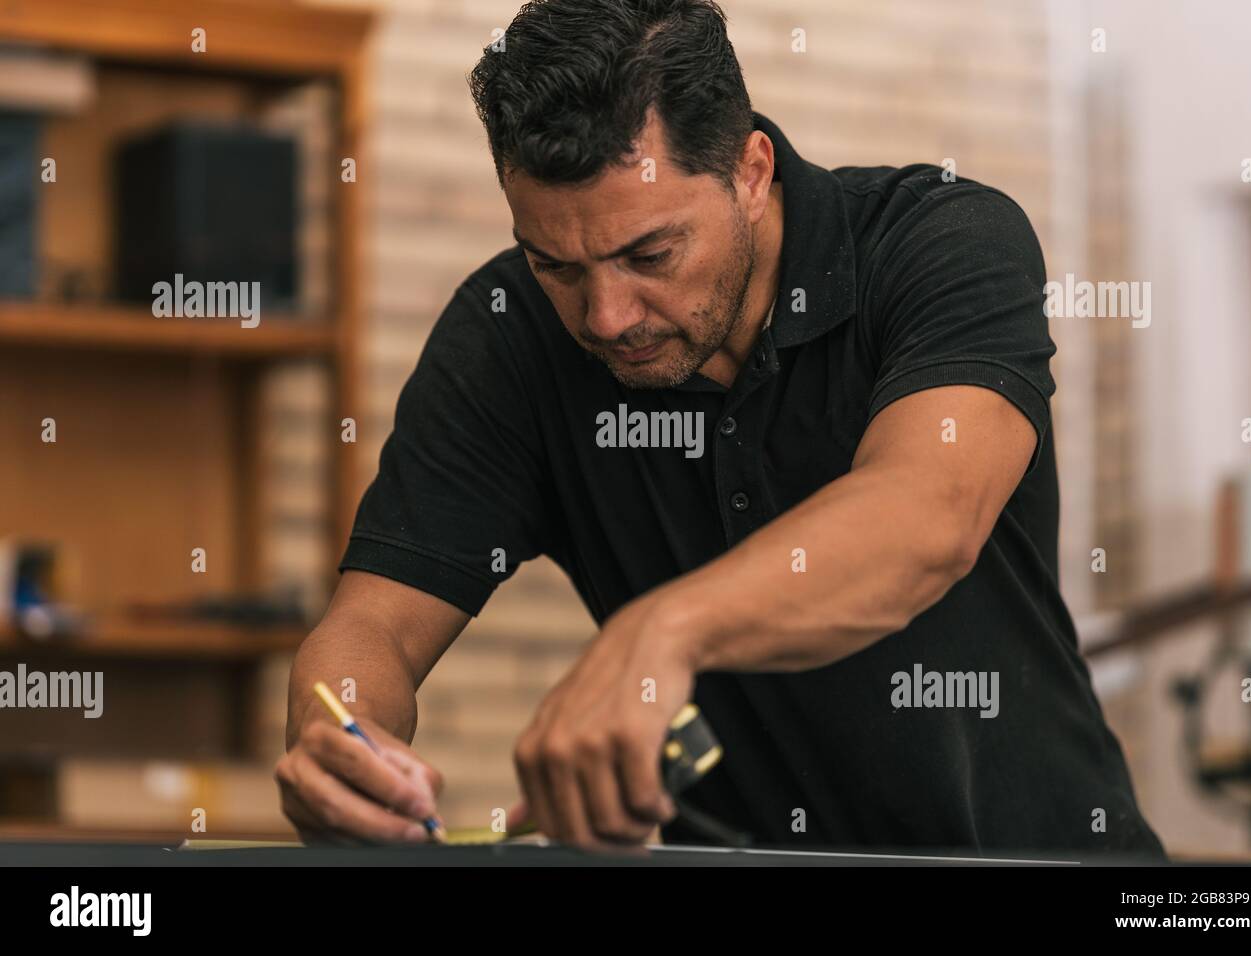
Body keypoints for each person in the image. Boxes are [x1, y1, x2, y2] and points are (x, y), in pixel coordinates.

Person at [275, 0, 1164, 857]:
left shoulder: (941, 242)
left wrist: (661, 632)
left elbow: (927, 515)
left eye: (649, 255)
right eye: (557, 265)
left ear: (750, 171)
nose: (609, 316)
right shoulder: (510, 332)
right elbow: (374, 626)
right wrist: (339, 732)